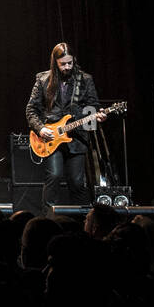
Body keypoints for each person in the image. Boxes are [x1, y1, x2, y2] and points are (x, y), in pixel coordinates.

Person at [25, 42, 106, 206]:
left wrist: (97, 116)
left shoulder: (85, 79)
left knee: (77, 182)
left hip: (77, 138)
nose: (67, 67)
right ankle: (49, 217)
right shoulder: (43, 79)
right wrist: (41, 128)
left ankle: (81, 219)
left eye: (70, 63)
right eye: (63, 64)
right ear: (55, 62)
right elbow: (31, 109)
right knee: (54, 176)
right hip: (52, 137)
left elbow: (93, 107)